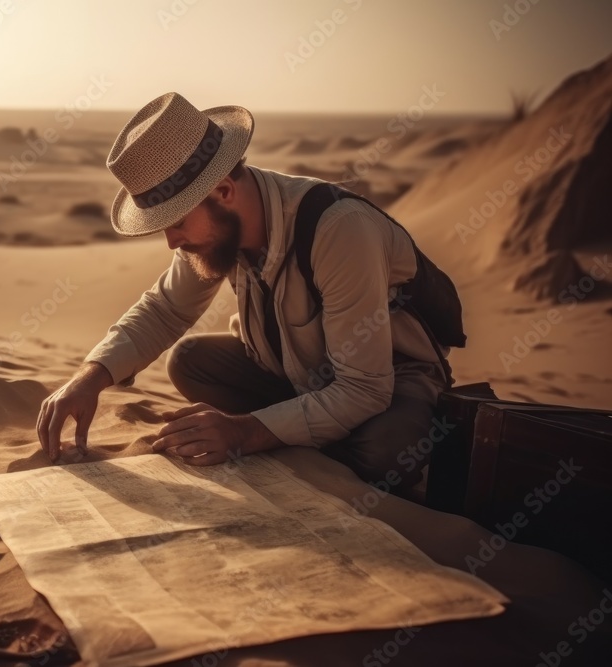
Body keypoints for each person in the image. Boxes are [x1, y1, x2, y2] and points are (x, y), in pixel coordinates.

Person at [36, 91, 459, 492]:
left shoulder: (339, 229)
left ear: (222, 192)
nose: (171, 241)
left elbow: (364, 389)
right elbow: (166, 310)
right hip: (291, 374)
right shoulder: (217, 226)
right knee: (189, 361)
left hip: (385, 382)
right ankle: (299, 431)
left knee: (391, 453)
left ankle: (300, 439)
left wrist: (243, 431)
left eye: (177, 222)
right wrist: (90, 377)